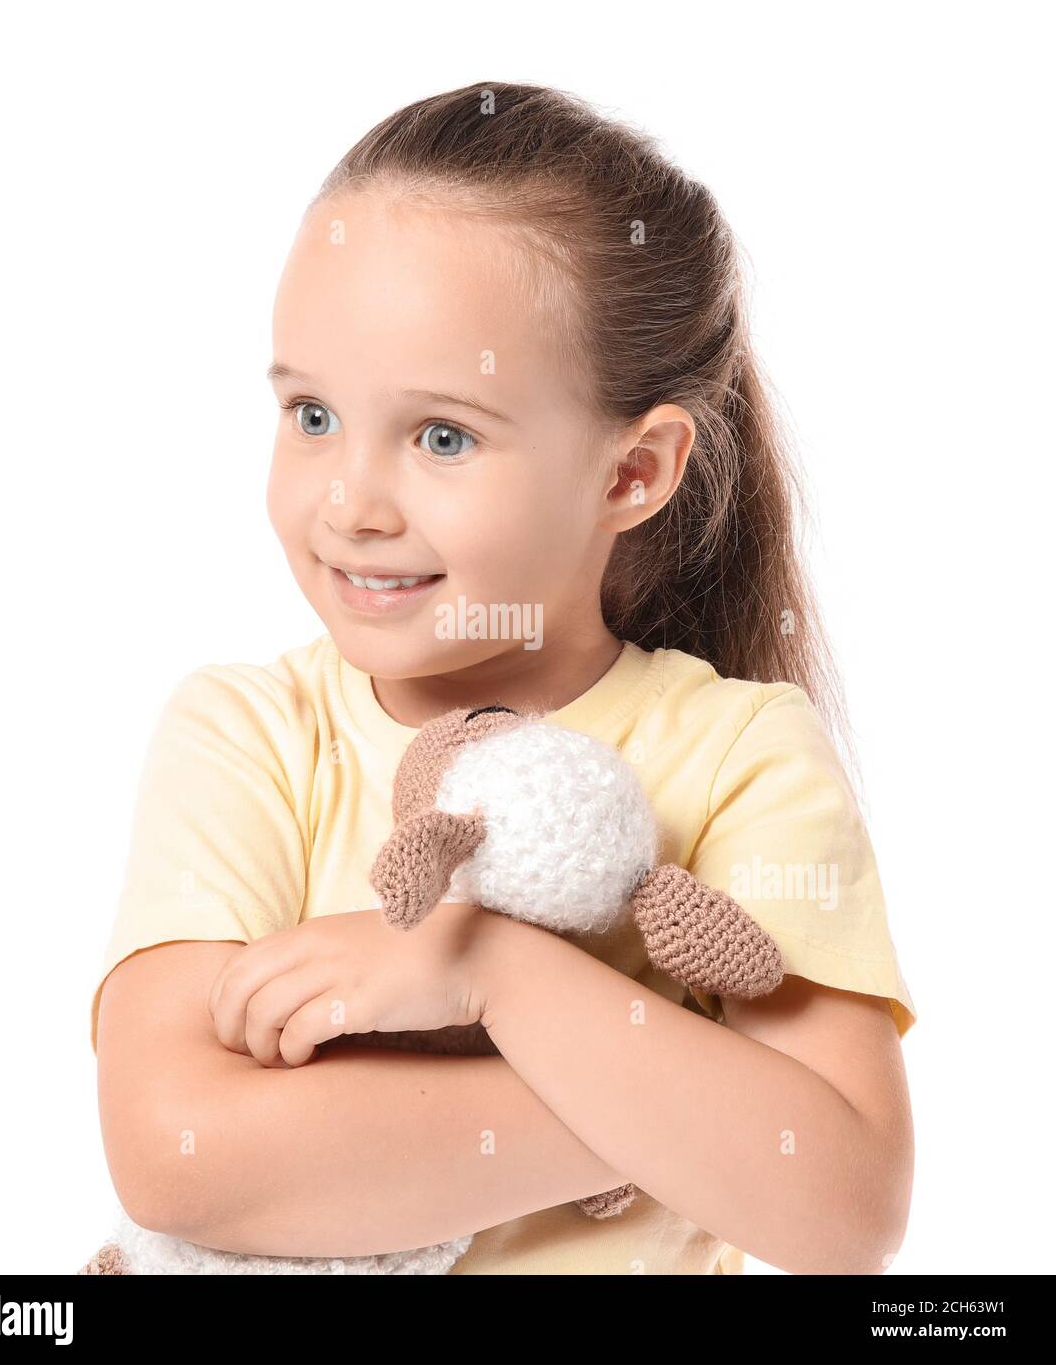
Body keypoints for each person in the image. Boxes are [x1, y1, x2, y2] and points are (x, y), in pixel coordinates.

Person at [90, 81, 916, 1276]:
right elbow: (177, 1158)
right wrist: (669, 1118)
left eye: (442, 436)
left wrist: (488, 969)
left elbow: (842, 1211)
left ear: (633, 473)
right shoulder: (248, 736)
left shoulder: (741, 757)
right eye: (311, 413)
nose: (350, 504)